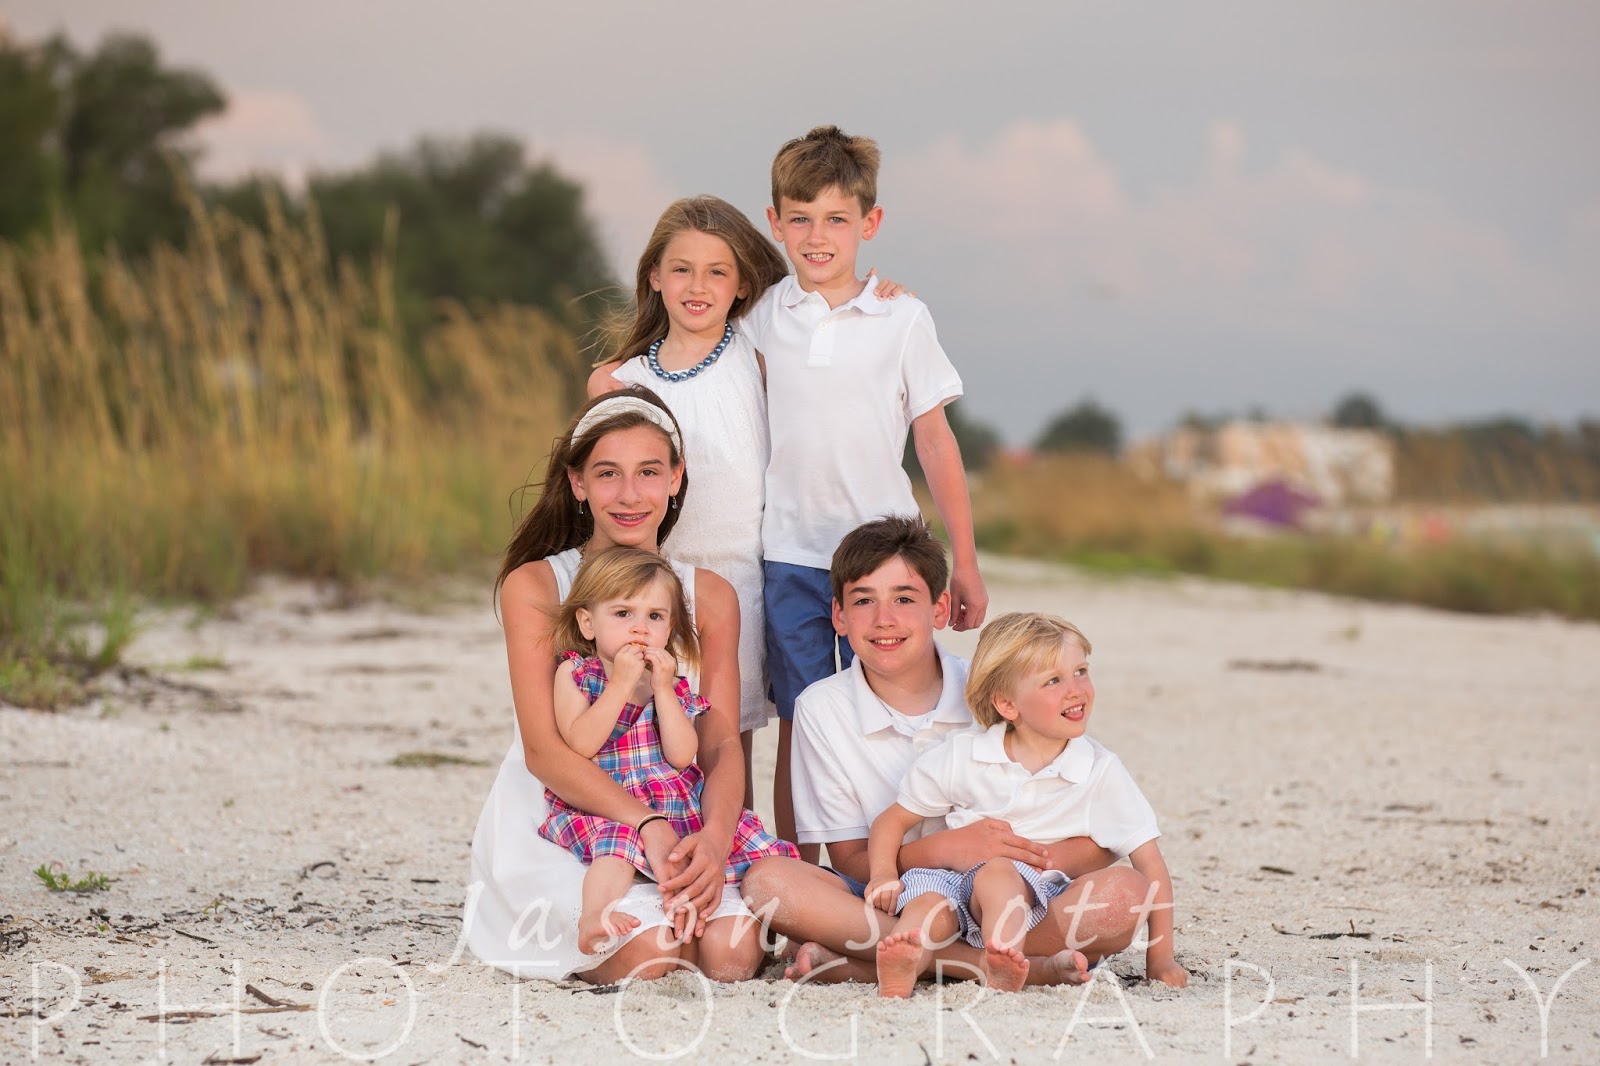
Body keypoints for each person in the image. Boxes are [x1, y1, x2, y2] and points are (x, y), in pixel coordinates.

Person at [587, 196, 906, 811]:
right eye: (681, 270)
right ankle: (649, 845)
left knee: (727, 739)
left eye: (717, 272)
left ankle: (741, 850)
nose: (697, 287)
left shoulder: (759, 355)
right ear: (654, 277)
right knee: (645, 734)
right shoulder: (619, 382)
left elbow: (830, 332)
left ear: (742, 285)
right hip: (650, 581)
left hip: (741, 582)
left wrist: (877, 297)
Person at [741, 517, 1144, 990]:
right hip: (892, 898)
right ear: (839, 615)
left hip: (1010, 901)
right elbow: (850, 860)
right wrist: (946, 850)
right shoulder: (822, 708)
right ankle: (1000, 965)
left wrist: (1021, 860)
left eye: (904, 599)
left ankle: (885, 960)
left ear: (940, 608)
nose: (884, 619)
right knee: (767, 882)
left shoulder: (996, 690)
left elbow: (1103, 835)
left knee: (1126, 897)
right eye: (864, 601)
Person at [465, 385, 764, 983]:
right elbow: (544, 751)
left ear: (675, 478)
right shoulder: (538, 584)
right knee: (652, 952)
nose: (630, 494)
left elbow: (720, 744)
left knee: (731, 956)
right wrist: (645, 825)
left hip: (681, 811)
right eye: (608, 474)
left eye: (649, 472)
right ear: (577, 483)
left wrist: (712, 839)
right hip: (568, 812)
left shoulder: (709, 596)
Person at [745, 126, 988, 854]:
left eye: (836, 219)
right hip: (790, 556)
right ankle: (802, 882)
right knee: (803, 720)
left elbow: (935, 441)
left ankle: (891, 868)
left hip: (885, 557)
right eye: (801, 219)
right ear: (775, 222)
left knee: (894, 712)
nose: (817, 237)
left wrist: (965, 561)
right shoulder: (760, 317)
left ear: (869, 223)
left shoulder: (901, 317)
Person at [863, 613, 1190, 996]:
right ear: (1007, 704)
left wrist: (1161, 959)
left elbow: (1150, 864)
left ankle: (1000, 957)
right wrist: (882, 875)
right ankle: (903, 961)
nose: (1075, 689)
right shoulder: (964, 755)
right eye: (1053, 680)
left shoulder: (1099, 770)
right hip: (952, 883)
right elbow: (892, 821)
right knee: (927, 908)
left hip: (1041, 901)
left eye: (1081, 671)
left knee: (1117, 886)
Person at [540, 546, 796, 955]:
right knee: (616, 846)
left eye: (654, 617)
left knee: (707, 844)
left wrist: (662, 690)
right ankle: (594, 914)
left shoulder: (670, 684)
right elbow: (581, 743)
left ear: (670, 628)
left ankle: (691, 900)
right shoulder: (577, 673)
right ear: (588, 623)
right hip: (609, 801)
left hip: (669, 797)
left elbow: (681, 755)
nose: (639, 628)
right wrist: (621, 685)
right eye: (623, 614)